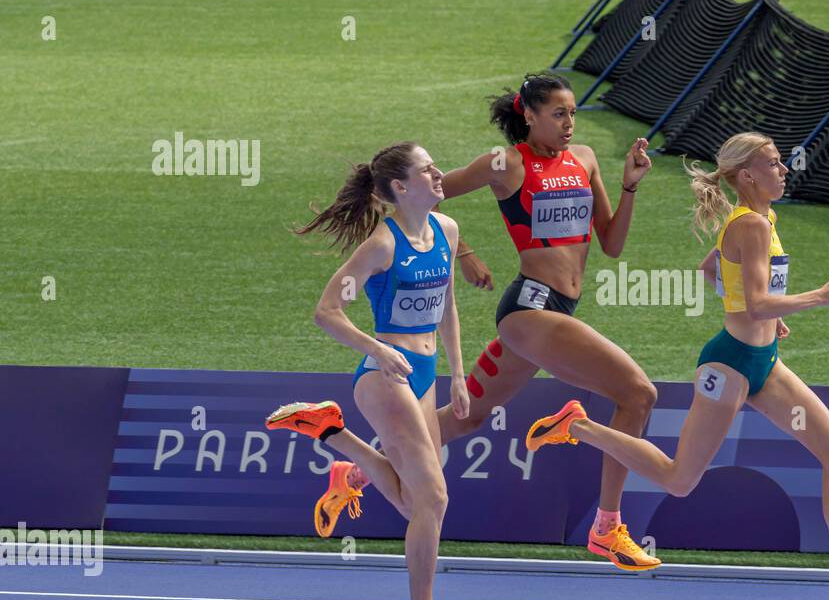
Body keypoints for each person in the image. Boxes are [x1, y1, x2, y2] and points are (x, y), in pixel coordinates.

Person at [273, 74, 663, 572]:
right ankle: (607, 527)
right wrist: (465, 254)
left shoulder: (584, 159)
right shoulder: (504, 164)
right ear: (530, 115)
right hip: (530, 310)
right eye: (558, 113)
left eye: (572, 114)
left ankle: (354, 473)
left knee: (467, 418)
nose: (568, 124)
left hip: (558, 311)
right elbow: (429, 201)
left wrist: (630, 184)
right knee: (637, 395)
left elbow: (611, 243)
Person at [525, 132, 829, 600]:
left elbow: (712, 269)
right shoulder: (752, 225)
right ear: (747, 175)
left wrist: (772, 317)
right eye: (773, 163)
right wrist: (818, 297)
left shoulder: (764, 217)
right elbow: (757, 300)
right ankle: (577, 425)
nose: (784, 169)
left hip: (764, 364)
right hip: (728, 366)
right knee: (678, 480)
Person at [265, 142, 475, 600]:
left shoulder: (447, 230)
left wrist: (458, 374)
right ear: (401, 188)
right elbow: (327, 311)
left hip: (423, 372)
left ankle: (336, 439)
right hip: (386, 378)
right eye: (429, 169)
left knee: (414, 501)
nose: (440, 173)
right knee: (435, 498)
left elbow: (446, 304)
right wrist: (377, 349)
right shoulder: (383, 244)